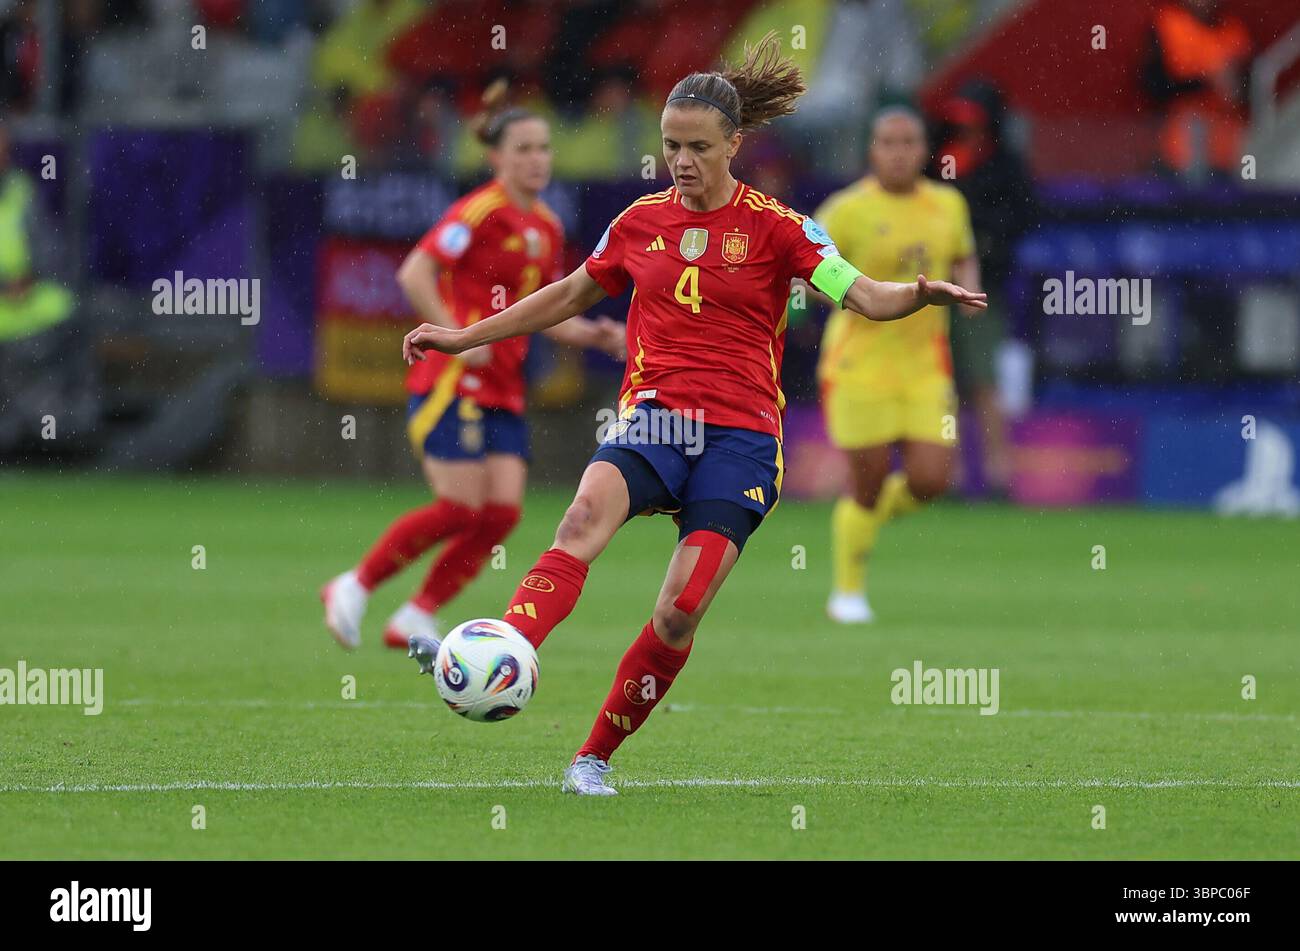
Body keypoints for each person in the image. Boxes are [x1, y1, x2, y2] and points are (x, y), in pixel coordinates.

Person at [401, 33, 985, 795]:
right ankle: (503, 647)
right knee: (580, 520)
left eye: (699, 147)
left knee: (679, 611)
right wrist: (462, 336)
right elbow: (569, 294)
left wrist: (917, 293)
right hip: (655, 419)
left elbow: (865, 295)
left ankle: (592, 758)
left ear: (733, 145)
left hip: (742, 439)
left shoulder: (782, 227)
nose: (681, 160)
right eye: (671, 145)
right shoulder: (638, 222)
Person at [321, 82, 624, 651]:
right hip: (455, 381)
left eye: (543, 148)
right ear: (496, 158)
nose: (537, 159)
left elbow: (541, 310)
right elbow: (415, 272)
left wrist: (594, 334)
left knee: (502, 513)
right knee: (459, 506)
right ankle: (355, 585)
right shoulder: (479, 210)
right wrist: (456, 338)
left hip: (504, 386)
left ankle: (417, 614)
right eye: (523, 149)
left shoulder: (547, 226)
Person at [815, 106, 981, 624]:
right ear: (872, 150)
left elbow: (962, 254)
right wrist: (847, 295)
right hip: (859, 365)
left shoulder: (949, 204)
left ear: (924, 149)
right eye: (888, 142)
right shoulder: (845, 210)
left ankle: (858, 523)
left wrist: (970, 291)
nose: (899, 152)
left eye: (909, 142)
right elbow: (809, 271)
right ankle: (847, 592)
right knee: (867, 483)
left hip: (926, 366)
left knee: (932, 479)